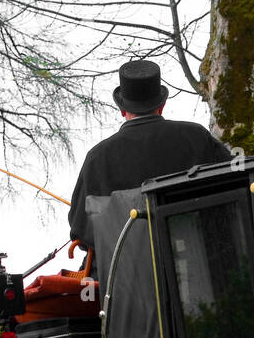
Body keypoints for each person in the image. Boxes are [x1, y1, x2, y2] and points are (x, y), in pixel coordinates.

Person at [68, 58, 231, 276]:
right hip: (202, 268)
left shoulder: (98, 157)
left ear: (122, 110)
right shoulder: (197, 137)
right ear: (162, 105)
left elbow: (82, 232)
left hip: (126, 280)